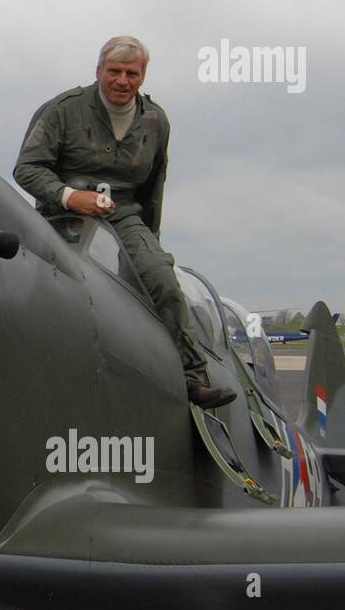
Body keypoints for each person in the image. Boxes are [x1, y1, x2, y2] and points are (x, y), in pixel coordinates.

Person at [13, 35, 237, 410]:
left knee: (162, 282)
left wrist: (148, 250)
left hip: (125, 215)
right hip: (63, 215)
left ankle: (193, 378)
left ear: (143, 76)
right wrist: (70, 195)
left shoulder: (155, 121)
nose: (122, 81)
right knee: (47, 287)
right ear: (98, 70)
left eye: (131, 73)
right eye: (114, 71)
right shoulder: (62, 110)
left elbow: (154, 188)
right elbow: (27, 169)